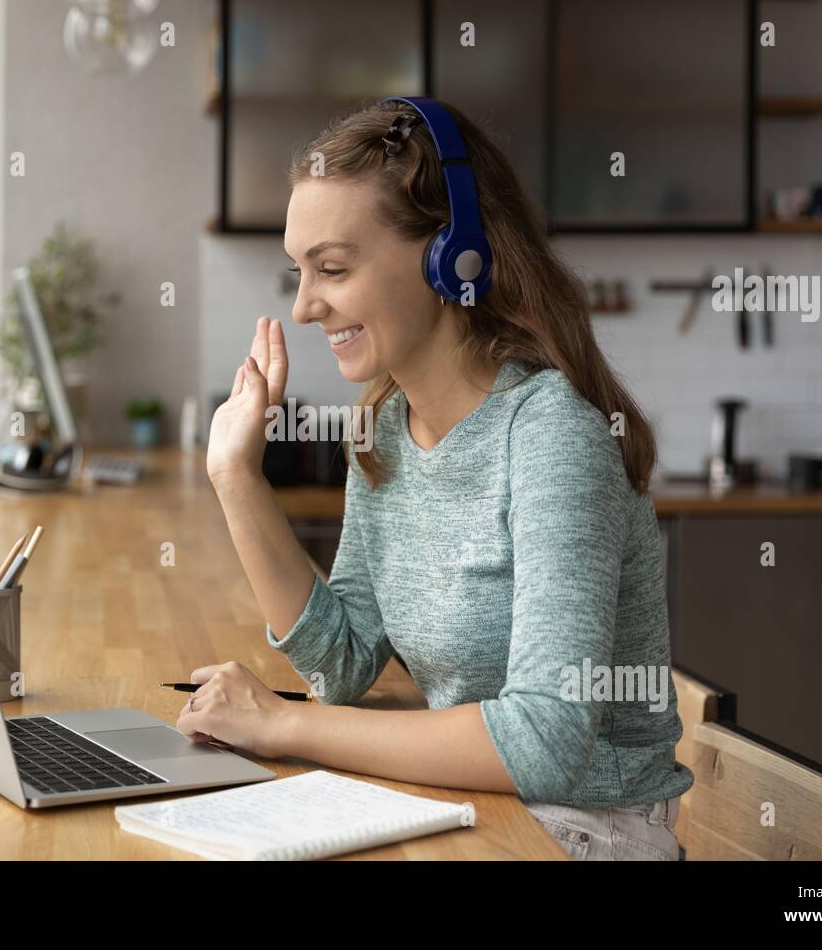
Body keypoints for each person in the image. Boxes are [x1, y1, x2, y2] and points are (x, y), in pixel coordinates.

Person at [176, 98, 693, 860]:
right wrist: (235, 476)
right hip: (474, 812)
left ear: (454, 255)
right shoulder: (385, 428)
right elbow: (344, 663)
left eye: (333, 267)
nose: (305, 304)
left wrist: (280, 724)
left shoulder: (553, 437)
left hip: (584, 834)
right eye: (299, 271)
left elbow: (547, 740)